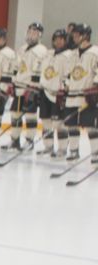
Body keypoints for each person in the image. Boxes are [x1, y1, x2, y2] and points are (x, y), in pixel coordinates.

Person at [8, 23, 47, 150]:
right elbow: (16, 67)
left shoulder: (41, 51)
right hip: (19, 87)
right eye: (30, 31)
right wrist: (13, 82)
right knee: (15, 114)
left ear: (39, 35)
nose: (31, 34)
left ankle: (29, 141)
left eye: (34, 32)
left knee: (30, 115)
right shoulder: (22, 48)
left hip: (30, 88)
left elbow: (39, 72)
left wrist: (34, 89)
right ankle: (14, 140)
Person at [62, 24, 98, 163]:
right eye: (74, 34)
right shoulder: (72, 54)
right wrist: (65, 86)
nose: (74, 37)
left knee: (91, 127)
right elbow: (68, 74)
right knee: (71, 125)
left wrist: (95, 87)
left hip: (87, 97)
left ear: (86, 36)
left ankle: (95, 154)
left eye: (77, 34)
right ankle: (73, 151)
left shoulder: (95, 52)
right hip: (72, 95)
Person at [37, 29, 75, 158]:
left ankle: (62, 148)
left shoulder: (69, 55)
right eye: (56, 39)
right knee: (46, 121)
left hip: (58, 94)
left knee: (59, 123)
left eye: (61, 39)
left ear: (66, 41)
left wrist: (65, 89)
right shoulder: (49, 54)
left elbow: (70, 74)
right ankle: (48, 147)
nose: (58, 41)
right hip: (45, 91)